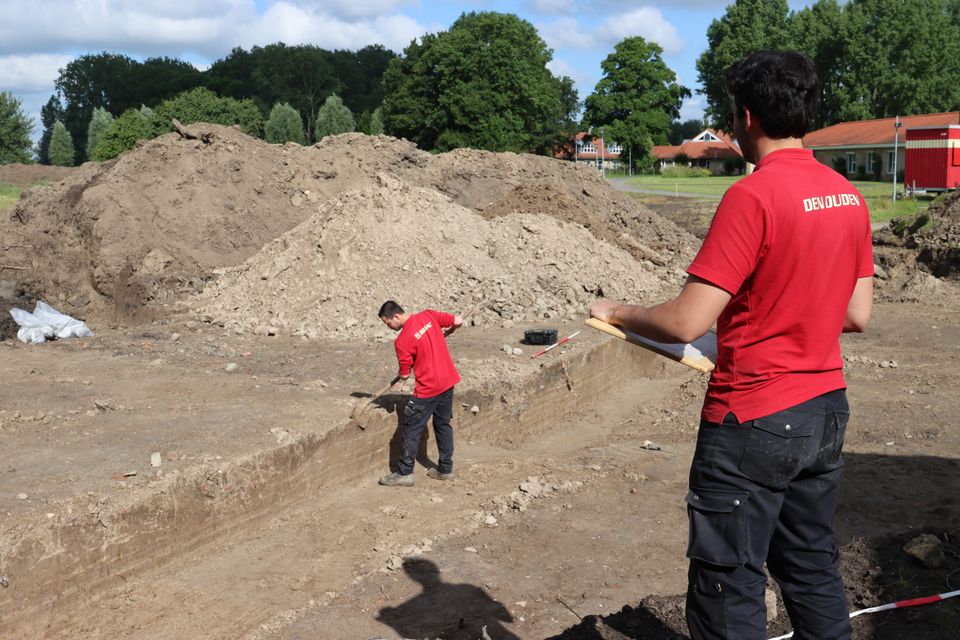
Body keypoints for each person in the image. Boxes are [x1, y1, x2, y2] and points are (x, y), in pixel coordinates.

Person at [590, 51, 873, 640]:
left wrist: (616, 310)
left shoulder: (753, 196)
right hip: (825, 410)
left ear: (745, 115)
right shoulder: (848, 195)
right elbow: (856, 314)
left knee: (729, 585)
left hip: (753, 419)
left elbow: (688, 322)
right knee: (812, 567)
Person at [377, 300, 463, 487]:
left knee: (411, 428)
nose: (389, 327)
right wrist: (446, 332)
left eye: (388, 323)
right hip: (448, 381)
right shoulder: (429, 315)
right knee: (443, 425)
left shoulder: (402, 341)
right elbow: (457, 320)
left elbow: (405, 374)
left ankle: (404, 473)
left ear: (396, 316)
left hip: (428, 388)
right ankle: (445, 469)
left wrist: (403, 373)